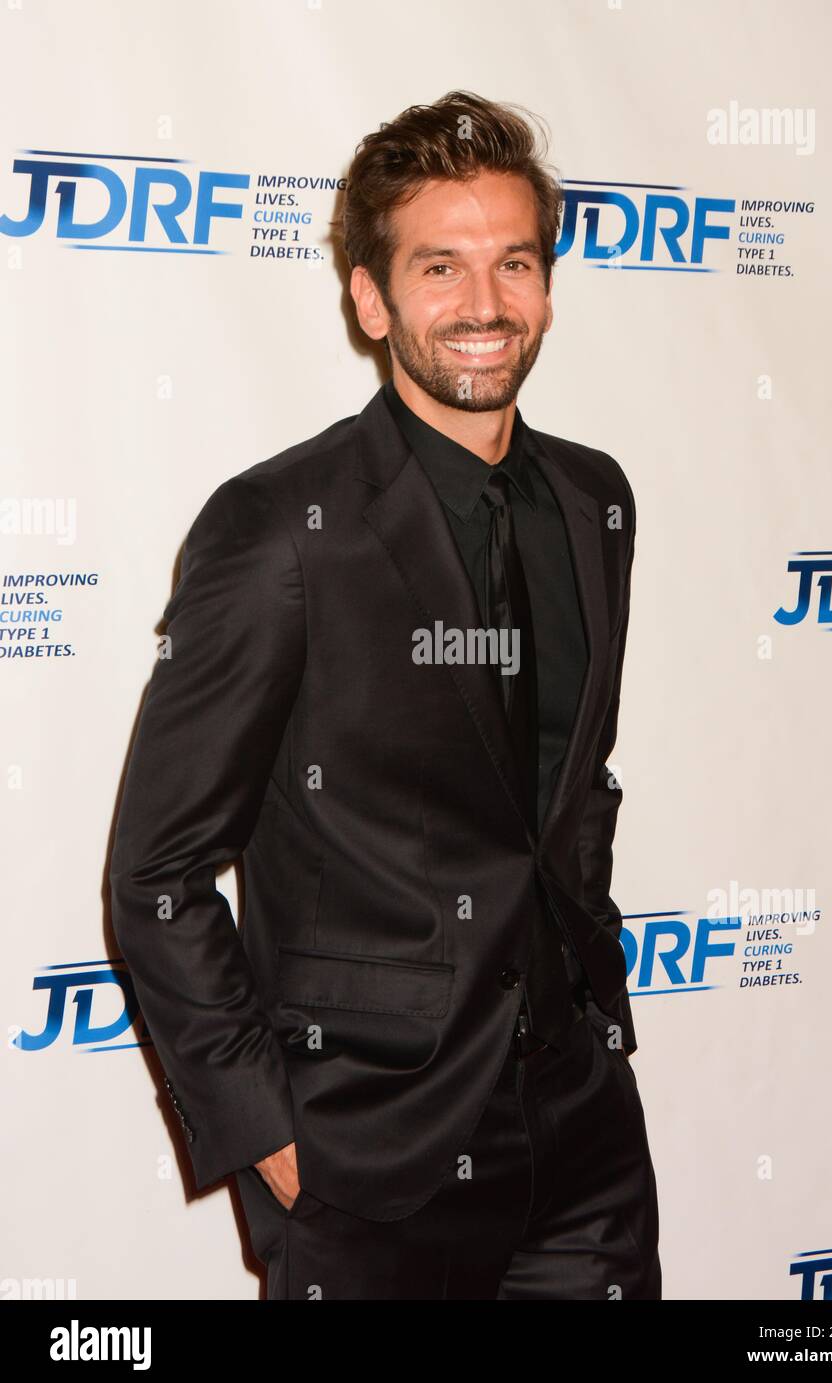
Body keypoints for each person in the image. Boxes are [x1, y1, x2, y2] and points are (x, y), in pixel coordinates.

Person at [110, 90, 661, 1300]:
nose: (482, 305)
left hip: (581, 1140)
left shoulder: (592, 503)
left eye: (512, 262)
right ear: (370, 299)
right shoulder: (280, 531)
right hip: (373, 1151)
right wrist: (269, 1132)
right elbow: (156, 875)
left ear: (547, 286)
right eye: (438, 267)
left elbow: (563, 795)